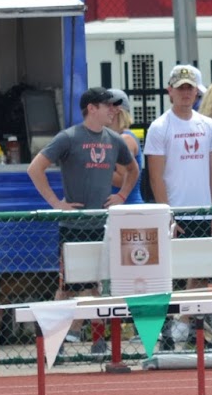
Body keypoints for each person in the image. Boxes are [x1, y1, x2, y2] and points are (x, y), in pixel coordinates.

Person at [27, 86, 138, 328]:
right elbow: (35, 168)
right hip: (73, 226)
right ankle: (55, 340)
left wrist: (121, 195)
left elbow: (133, 170)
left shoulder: (115, 139)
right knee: (67, 286)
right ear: (92, 108)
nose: (114, 110)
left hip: (101, 225)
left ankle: (95, 342)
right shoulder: (69, 137)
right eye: (109, 105)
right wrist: (56, 203)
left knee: (97, 286)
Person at [146, 65, 212, 344]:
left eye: (189, 88)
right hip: (175, 212)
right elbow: (156, 176)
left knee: (201, 275)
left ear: (197, 92)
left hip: (203, 212)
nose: (185, 93)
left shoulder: (207, 126)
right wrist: (167, 214)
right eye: (179, 87)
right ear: (169, 91)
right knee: (169, 275)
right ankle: (167, 327)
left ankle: (193, 328)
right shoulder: (159, 127)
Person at [109, 89, 145, 206]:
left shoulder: (125, 139)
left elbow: (122, 179)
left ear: (116, 110)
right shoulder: (115, 138)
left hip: (128, 207)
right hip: (119, 208)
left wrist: (93, 169)